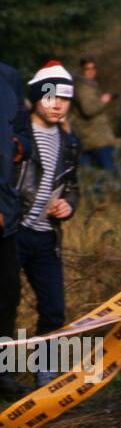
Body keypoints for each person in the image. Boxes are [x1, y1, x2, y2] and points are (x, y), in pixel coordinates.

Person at [15, 62, 80, 387]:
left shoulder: (69, 142)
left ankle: (46, 375)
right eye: (50, 96)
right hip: (11, 234)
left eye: (64, 99)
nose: (57, 104)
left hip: (46, 238)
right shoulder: (15, 132)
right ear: (36, 97)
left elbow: (72, 187)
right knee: (4, 305)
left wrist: (68, 205)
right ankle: (4, 375)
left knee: (54, 310)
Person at [0, 61, 33, 398]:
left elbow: (25, 133)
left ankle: (3, 375)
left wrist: (17, 146)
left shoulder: (9, 77)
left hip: (5, 213)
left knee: (8, 293)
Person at [72, 55, 116, 171]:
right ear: (82, 69)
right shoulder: (83, 87)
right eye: (88, 68)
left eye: (93, 68)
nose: (91, 71)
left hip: (91, 137)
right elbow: (89, 109)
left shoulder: (87, 85)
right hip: (95, 138)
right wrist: (103, 101)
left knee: (88, 174)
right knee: (109, 174)